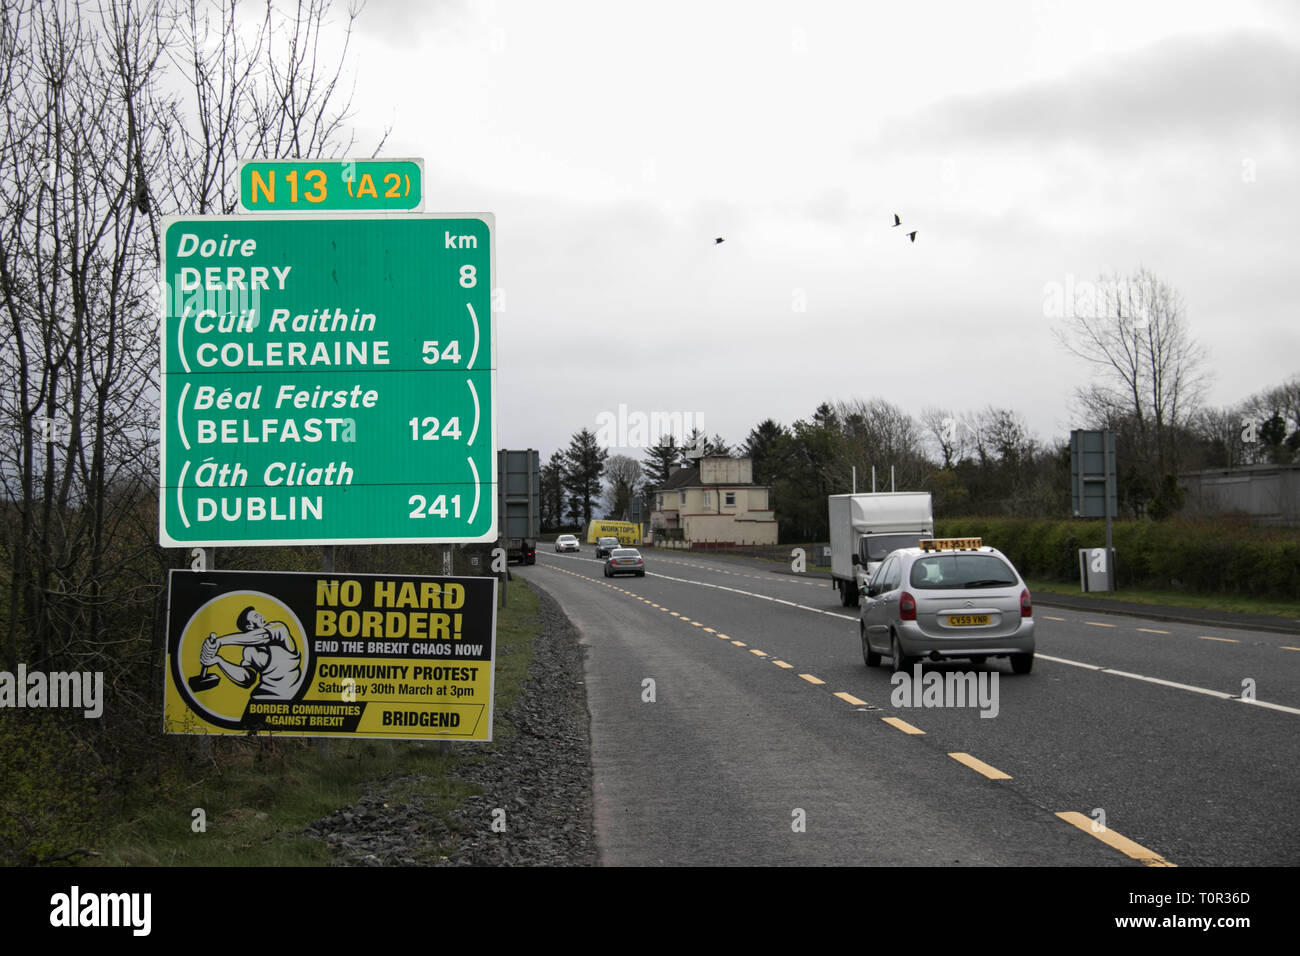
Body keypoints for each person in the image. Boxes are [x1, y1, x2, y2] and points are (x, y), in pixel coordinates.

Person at [200, 606, 302, 700]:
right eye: (257, 616)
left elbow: (262, 637)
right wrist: (219, 660)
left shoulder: (279, 629)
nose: (262, 616)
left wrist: (220, 642)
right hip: (262, 698)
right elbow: (247, 679)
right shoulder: (250, 651)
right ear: (249, 627)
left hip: (293, 694)